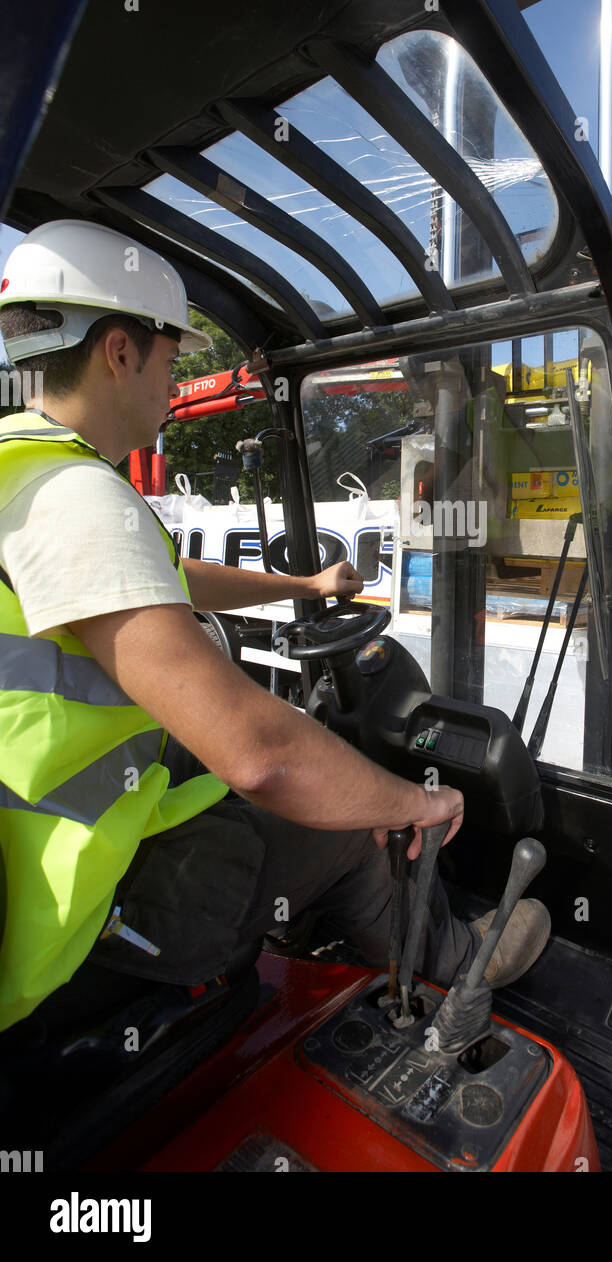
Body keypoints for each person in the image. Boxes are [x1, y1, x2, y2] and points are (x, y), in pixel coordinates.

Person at [0, 218, 550, 1042]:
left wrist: (302, 582)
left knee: (304, 758)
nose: (174, 381)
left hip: (37, 842)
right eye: (170, 358)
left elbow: (161, 580)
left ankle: (324, 924)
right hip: (77, 909)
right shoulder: (77, 498)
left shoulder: (26, 473)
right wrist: (413, 803)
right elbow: (263, 758)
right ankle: (449, 956)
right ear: (120, 351)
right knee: (342, 808)